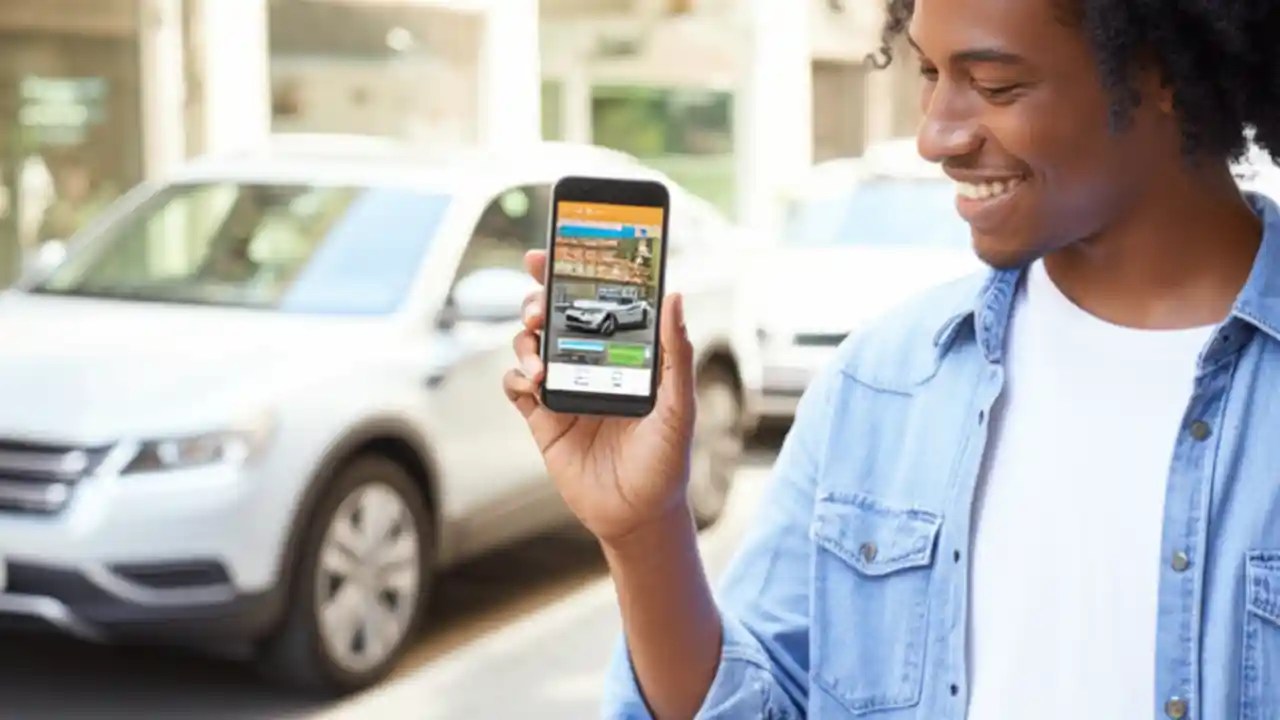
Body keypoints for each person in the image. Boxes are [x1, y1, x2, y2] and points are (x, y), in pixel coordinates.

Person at [503, 0, 1280, 716]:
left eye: (996, 85)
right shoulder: (881, 383)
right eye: (930, 73)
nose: (935, 137)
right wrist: (644, 532)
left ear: (1161, 72)